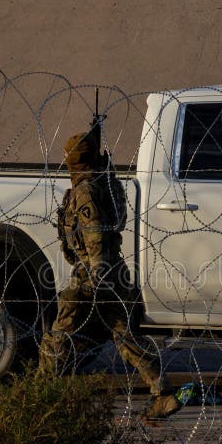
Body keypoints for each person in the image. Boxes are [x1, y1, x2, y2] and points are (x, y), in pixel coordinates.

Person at [38, 132, 182, 420]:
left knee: (58, 336)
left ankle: (37, 397)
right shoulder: (104, 183)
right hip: (113, 273)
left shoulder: (86, 191)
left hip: (95, 274)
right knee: (124, 336)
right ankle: (162, 394)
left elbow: (94, 231)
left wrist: (96, 272)